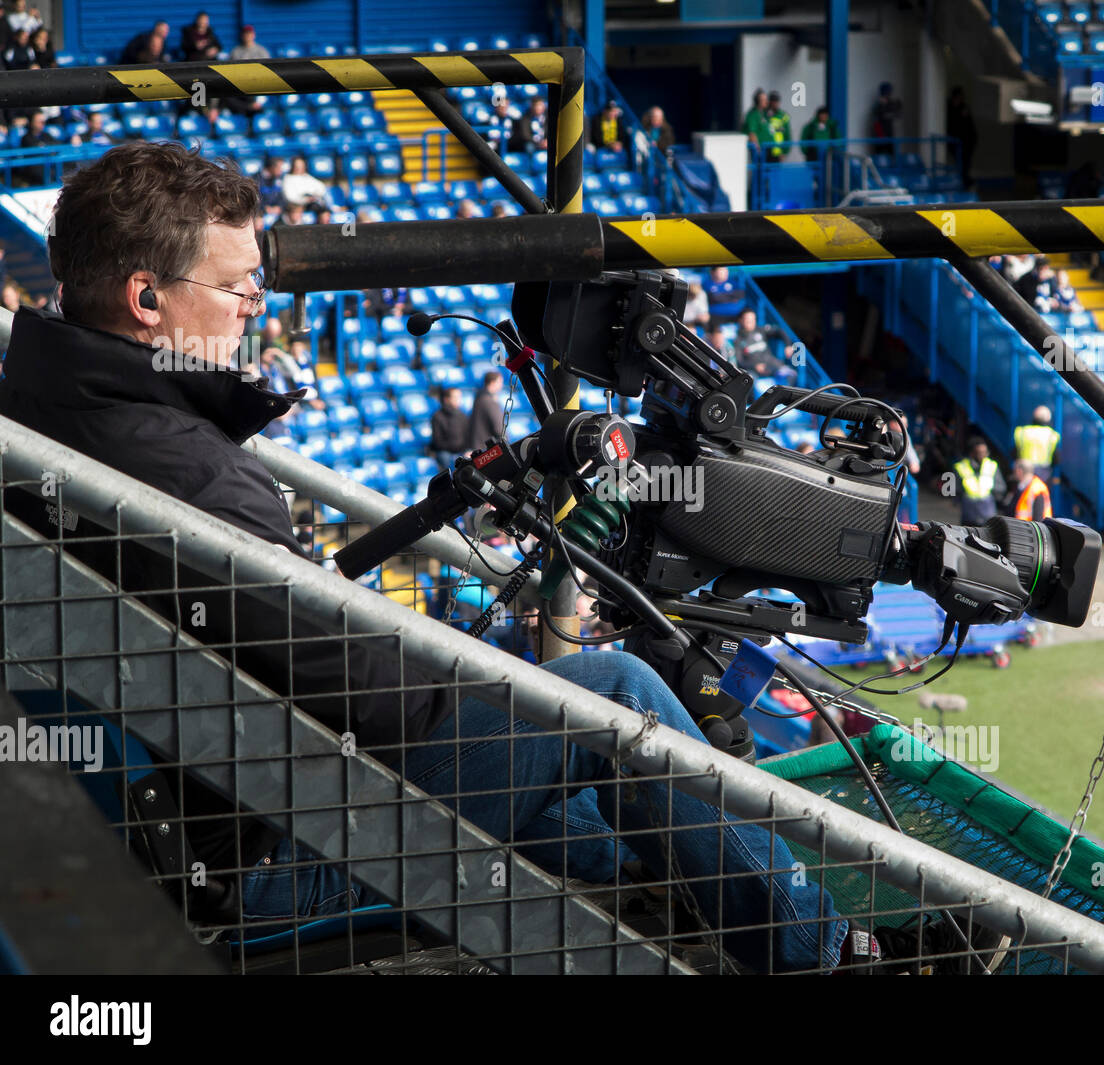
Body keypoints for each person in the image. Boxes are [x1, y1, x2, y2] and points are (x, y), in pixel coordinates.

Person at [0, 140, 884, 975]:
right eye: (236, 287)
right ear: (147, 300)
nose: (255, 307)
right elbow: (369, 693)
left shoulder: (41, 415)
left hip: (192, 828)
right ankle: (828, 956)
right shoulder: (186, 473)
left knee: (596, 818)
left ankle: (747, 918)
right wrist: (492, 677)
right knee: (613, 695)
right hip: (270, 861)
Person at [952, 437, 1004, 524]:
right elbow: (955, 491)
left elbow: (1001, 488)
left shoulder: (991, 466)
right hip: (969, 515)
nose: (984, 455)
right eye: (980, 453)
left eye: (985, 452)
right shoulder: (961, 467)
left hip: (988, 514)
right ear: (972, 453)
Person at [1014, 406, 1059, 485]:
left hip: (1024, 471)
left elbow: (1014, 453)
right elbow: (1056, 459)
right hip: (1044, 474)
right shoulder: (1052, 435)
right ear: (1048, 419)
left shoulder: (1021, 432)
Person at [429, 385, 470, 470]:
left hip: (462, 451)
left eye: (459, 397)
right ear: (446, 399)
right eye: (455, 397)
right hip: (446, 452)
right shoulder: (437, 416)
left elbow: (468, 436)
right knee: (445, 458)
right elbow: (438, 442)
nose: (458, 400)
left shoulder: (462, 415)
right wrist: (455, 447)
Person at [945, 86, 977, 189]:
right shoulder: (949, 108)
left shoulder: (964, 107)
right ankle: (963, 183)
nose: (959, 99)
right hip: (955, 143)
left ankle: (966, 184)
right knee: (960, 166)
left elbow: (970, 126)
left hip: (967, 143)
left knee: (966, 165)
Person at [469, 368, 506, 448]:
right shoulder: (489, 401)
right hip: (487, 447)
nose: (501, 385)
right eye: (500, 382)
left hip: (478, 445)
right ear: (492, 383)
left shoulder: (479, 398)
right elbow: (499, 429)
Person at [742, 89, 773, 157]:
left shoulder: (764, 113)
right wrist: (758, 150)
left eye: (766, 99)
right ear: (758, 101)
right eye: (764, 100)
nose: (766, 102)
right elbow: (752, 134)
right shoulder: (753, 115)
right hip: (760, 151)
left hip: (768, 149)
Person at [763, 92, 790, 162]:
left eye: (776, 101)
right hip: (765, 150)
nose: (775, 104)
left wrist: (785, 152)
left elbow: (787, 135)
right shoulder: (763, 114)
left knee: (775, 172)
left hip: (778, 151)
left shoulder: (783, 116)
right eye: (773, 101)